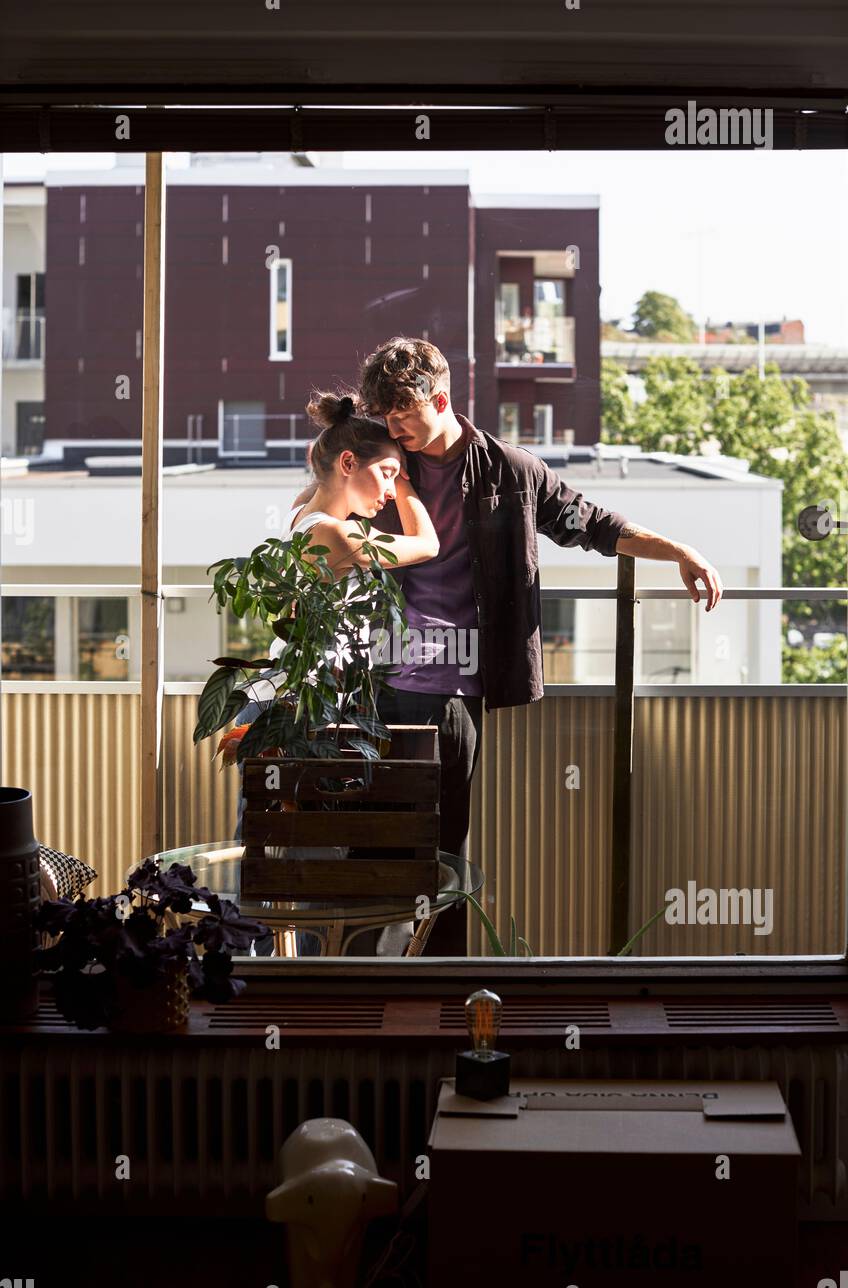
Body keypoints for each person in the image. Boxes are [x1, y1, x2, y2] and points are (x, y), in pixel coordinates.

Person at [294, 337, 724, 957]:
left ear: (440, 400)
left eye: (405, 416)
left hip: (455, 692)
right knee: (367, 844)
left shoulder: (508, 470)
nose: (394, 429)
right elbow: (332, 495)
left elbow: (595, 525)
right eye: (385, 417)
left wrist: (681, 551)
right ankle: (352, 984)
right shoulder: (386, 456)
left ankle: (439, 993)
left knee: (443, 852)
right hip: (373, 684)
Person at [233, 388, 440, 954]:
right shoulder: (332, 532)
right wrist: (409, 486)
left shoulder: (308, 510)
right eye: (386, 473)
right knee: (302, 844)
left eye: (397, 477)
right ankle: (295, 974)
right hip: (303, 704)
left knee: (272, 838)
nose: (390, 488)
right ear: (349, 463)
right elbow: (426, 544)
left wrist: (375, 466)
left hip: (289, 693)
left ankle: (269, 966)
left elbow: (322, 480)